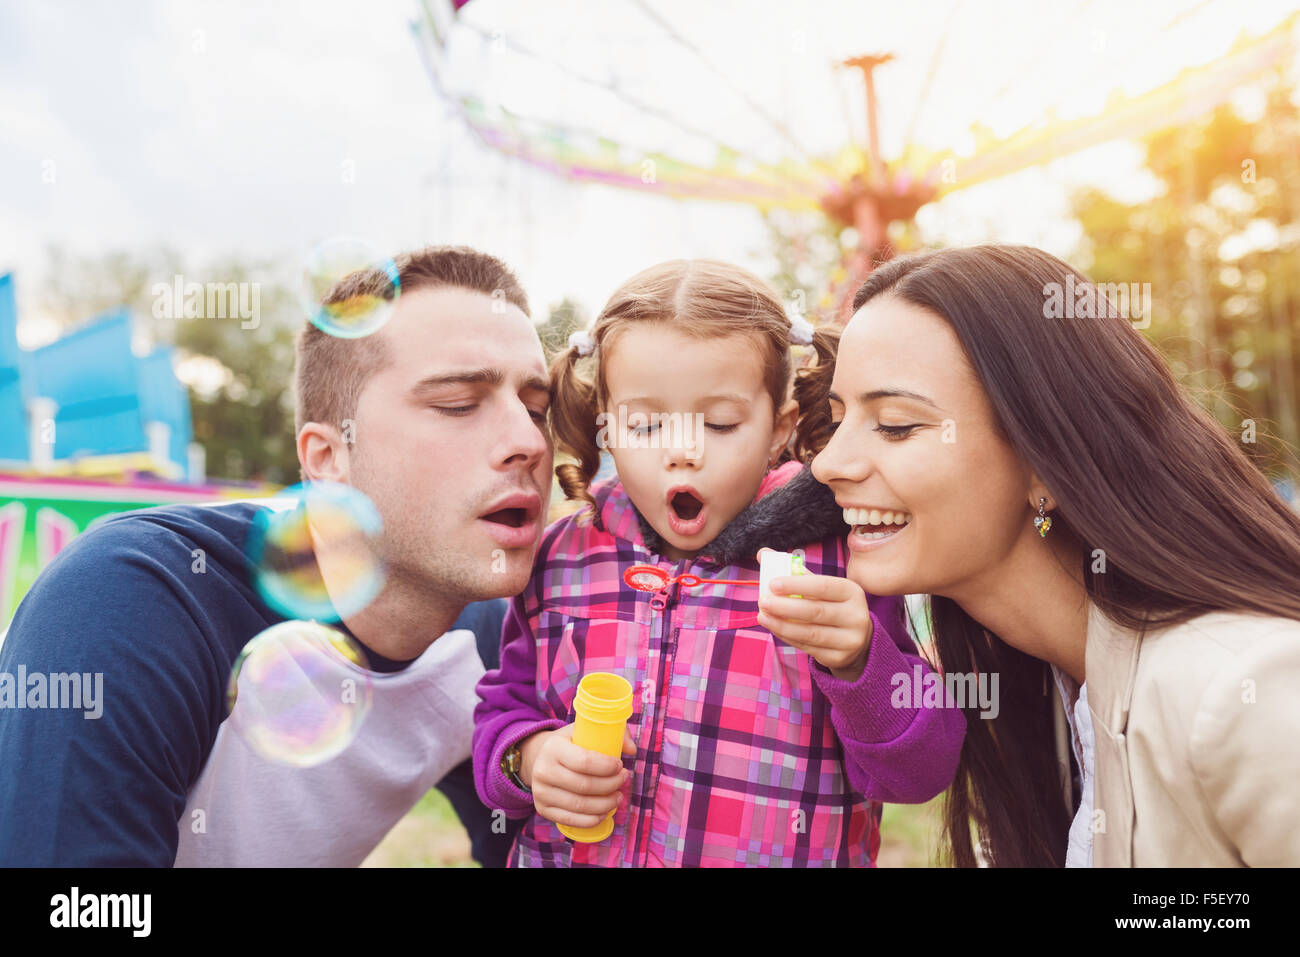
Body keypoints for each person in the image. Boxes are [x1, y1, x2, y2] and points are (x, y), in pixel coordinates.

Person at [0, 245, 547, 866]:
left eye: (537, 408)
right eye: (457, 403)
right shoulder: (131, 601)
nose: (528, 441)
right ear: (327, 460)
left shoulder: (500, 643)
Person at [804, 244, 1300, 866]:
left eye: (898, 425)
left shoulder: (1238, 689)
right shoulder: (1049, 705)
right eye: (838, 419)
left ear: (1046, 464)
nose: (827, 463)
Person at [473, 259, 965, 867]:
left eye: (720, 422)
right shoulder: (563, 556)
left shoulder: (839, 566)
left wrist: (862, 659)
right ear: (606, 428)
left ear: (778, 429)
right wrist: (532, 758)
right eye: (647, 423)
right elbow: (503, 712)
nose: (683, 452)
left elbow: (919, 774)